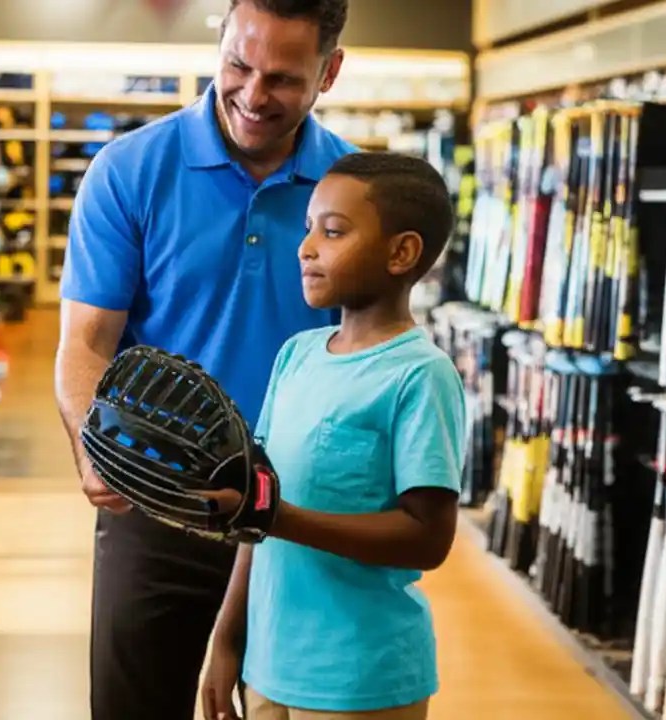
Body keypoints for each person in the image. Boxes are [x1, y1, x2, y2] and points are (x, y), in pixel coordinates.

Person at [53, 0, 359, 717]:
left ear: (330, 71)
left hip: (298, 511)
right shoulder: (129, 171)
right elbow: (86, 342)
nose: (253, 97)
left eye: (283, 79)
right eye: (238, 65)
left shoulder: (356, 191)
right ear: (219, 40)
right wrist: (93, 444)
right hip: (153, 502)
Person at [198, 152, 466, 720]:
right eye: (308, 228)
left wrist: (280, 518)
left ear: (403, 253)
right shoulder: (297, 355)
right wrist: (226, 638)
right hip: (270, 667)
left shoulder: (419, 375)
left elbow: (427, 537)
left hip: (360, 680)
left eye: (334, 231)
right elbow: (258, 507)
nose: (306, 247)